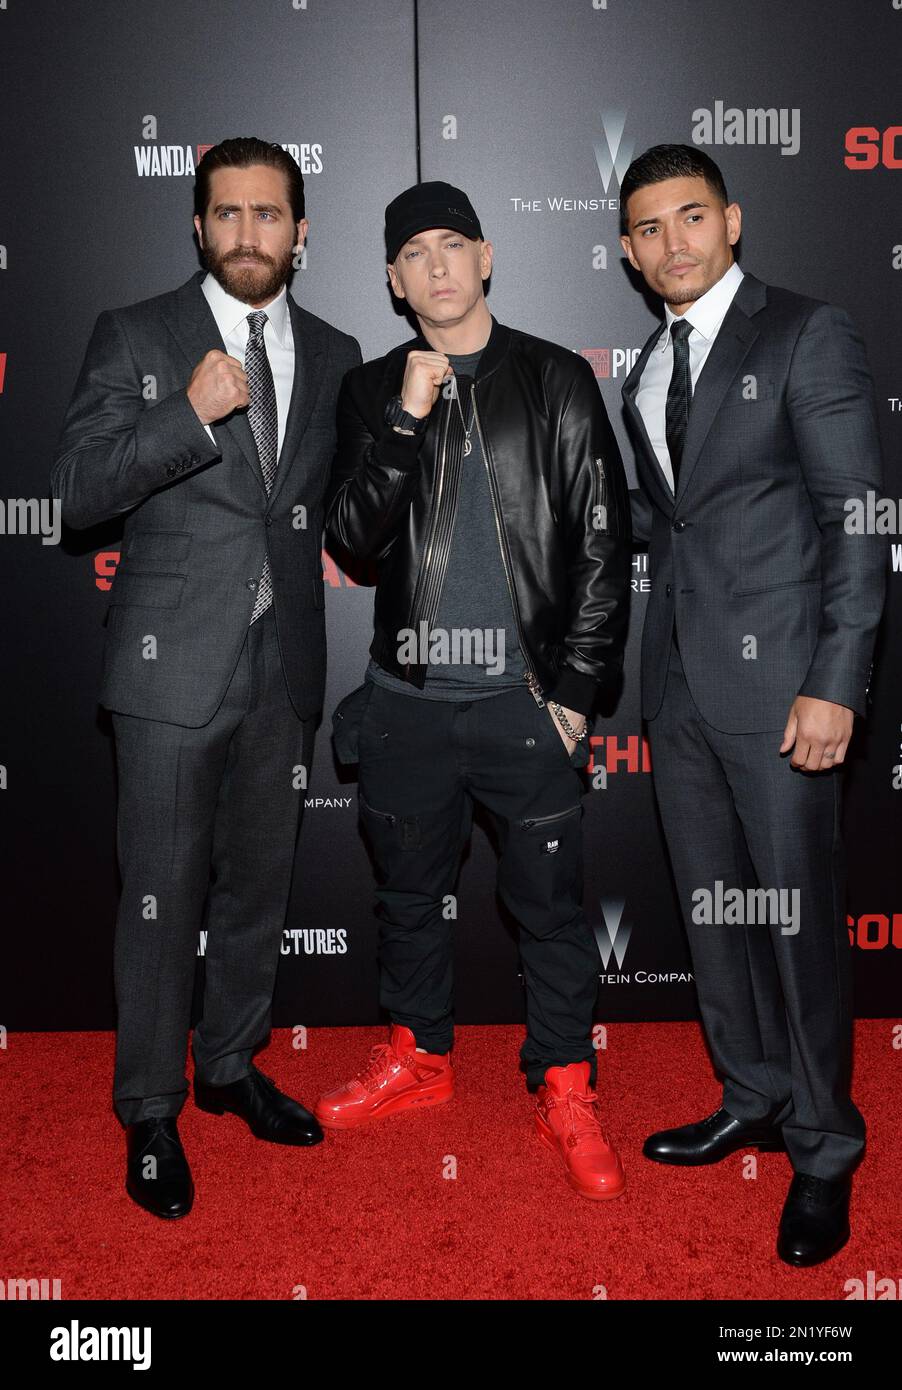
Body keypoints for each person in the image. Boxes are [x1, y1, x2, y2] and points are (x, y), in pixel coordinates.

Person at [51, 137, 361, 1219]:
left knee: (255, 892)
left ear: (300, 231)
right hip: (168, 665)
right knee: (158, 894)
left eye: (268, 215)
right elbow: (79, 488)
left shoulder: (333, 347)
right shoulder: (137, 333)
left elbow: (329, 510)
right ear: (197, 226)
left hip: (283, 668)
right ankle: (148, 1108)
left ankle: (227, 1067)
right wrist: (184, 414)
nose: (246, 234)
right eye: (225, 214)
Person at [318, 181, 632, 1201]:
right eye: (415, 252)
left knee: (546, 906)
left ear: (486, 256)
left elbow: (598, 535)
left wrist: (575, 692)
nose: (438, 266)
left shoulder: (552, 378)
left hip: (521, 700)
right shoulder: (368, 391)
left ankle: (564, 1079)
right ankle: (420, 1059)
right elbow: (353, 536)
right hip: (406, 699)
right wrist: (405, 422)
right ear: (393, 279)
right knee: (408, 896)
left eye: (453, 244)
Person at [619, 144, 886, 1264]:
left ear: (731, 221)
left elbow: (857, 515)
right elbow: (671, 524)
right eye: (646, 229)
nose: (669, 243)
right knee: (713, 919)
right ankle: (753, 1093)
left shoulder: (801, 333)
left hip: (781, 691)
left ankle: (823, 1145)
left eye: (689, 218)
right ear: (628, 252)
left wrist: (835, 681)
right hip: (677, 690)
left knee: (791, 923)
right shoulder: (644, 363)